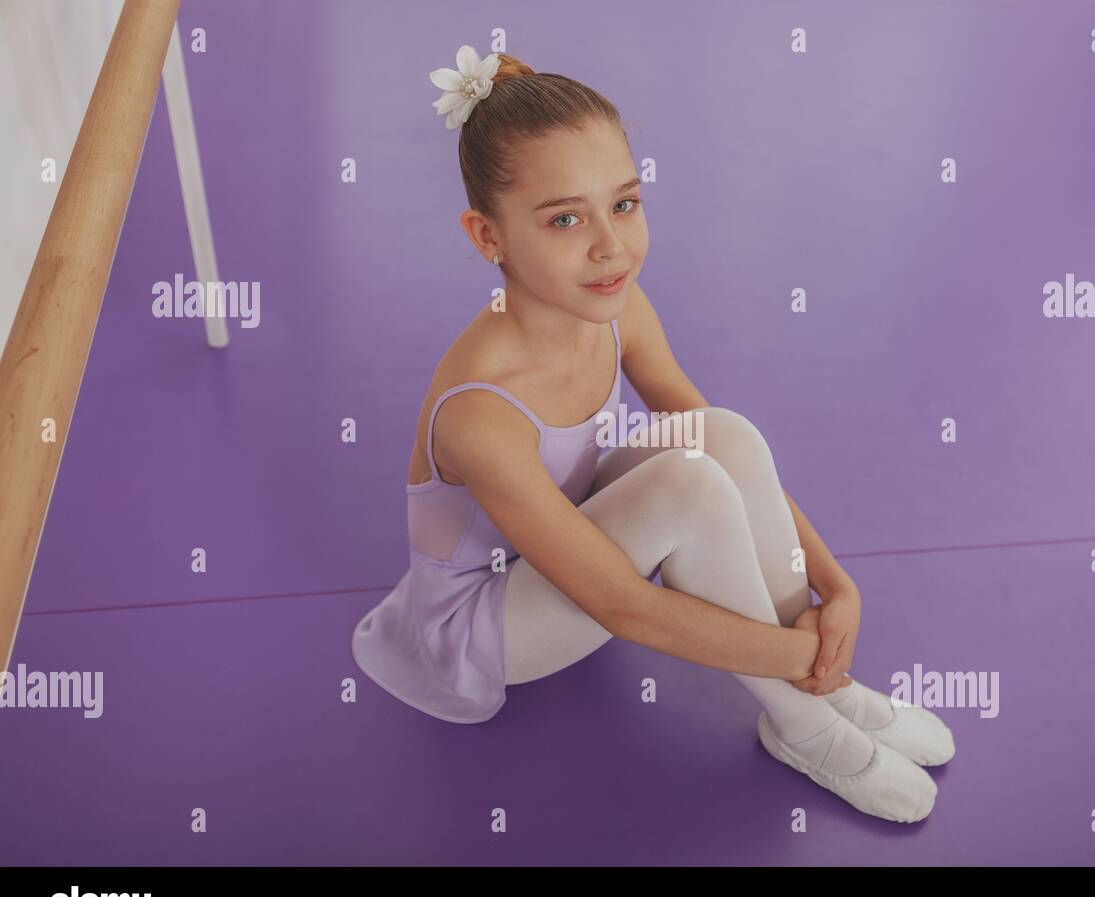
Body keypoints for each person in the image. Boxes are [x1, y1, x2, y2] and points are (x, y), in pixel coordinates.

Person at [352, 45, 955, 823]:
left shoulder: (616, 305)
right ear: (487, 236)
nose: (610, 246)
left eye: (624, 204)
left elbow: (728, 453)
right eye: (565, 219)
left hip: (571, 539)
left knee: (721, 437)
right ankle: (807, 717)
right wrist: (807, 657)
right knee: (686, 484)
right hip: (480, 623)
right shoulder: (481, 410)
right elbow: (623, 609)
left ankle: (817, 693)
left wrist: (835, 589)